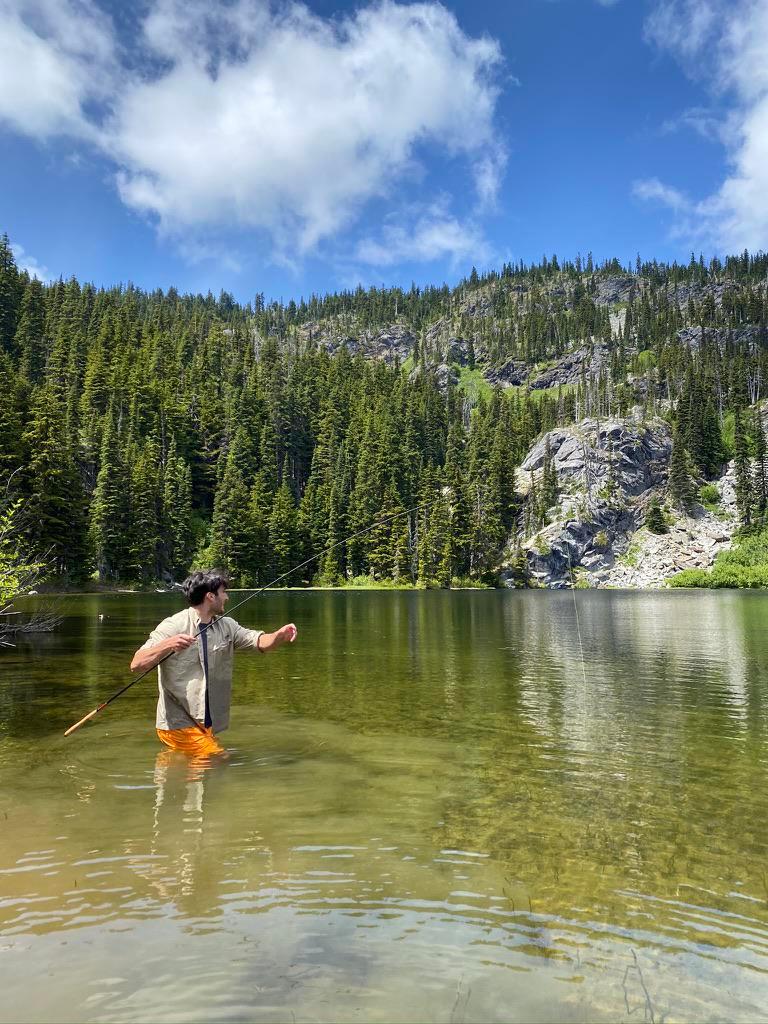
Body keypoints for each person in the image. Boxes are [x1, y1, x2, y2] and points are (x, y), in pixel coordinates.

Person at [130, 569, 297, 757]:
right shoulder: (173, 625)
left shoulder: (227, 625)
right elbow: (137, 663)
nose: (226, 597)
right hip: (177, 723)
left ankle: (170, 771)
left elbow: (260, 642)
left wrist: (279, 636)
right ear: (210, 596)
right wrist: (168, 644)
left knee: (201, 771)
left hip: (206, 724)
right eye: (223, 592)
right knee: (217, 759)